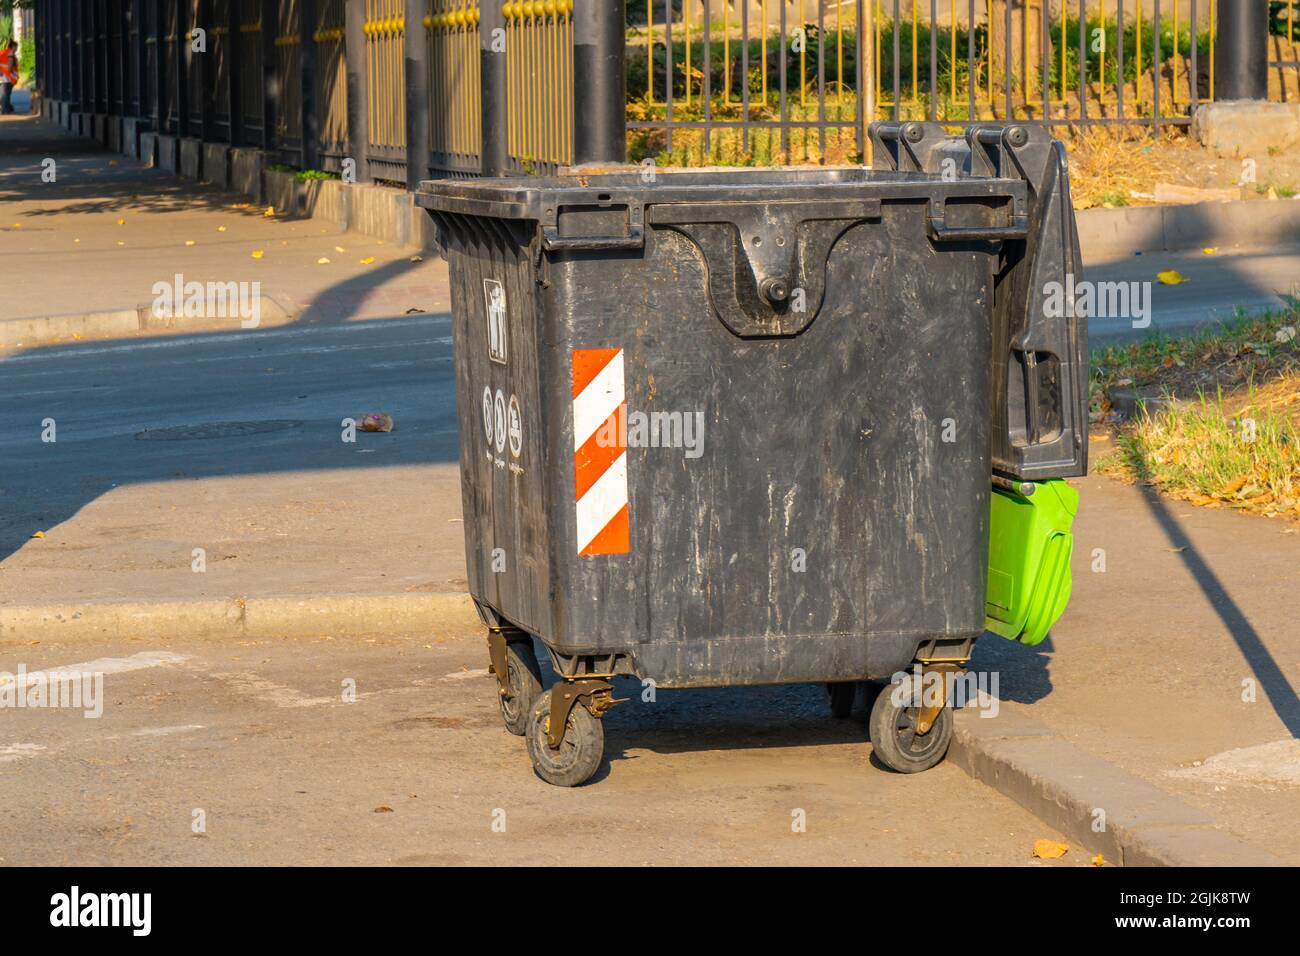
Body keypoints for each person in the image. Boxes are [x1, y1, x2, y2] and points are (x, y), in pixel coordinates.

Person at [0, 38, 18, 115]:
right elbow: (10, 66)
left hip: (1, 76)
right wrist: (10, 71)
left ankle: (8, 108)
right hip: (7, 77)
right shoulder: (10, 53)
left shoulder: (3, 52)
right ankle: (6, 110)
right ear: (13, 46)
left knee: (4, 94)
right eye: (16, 47)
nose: (16, 49)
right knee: (5, 94)